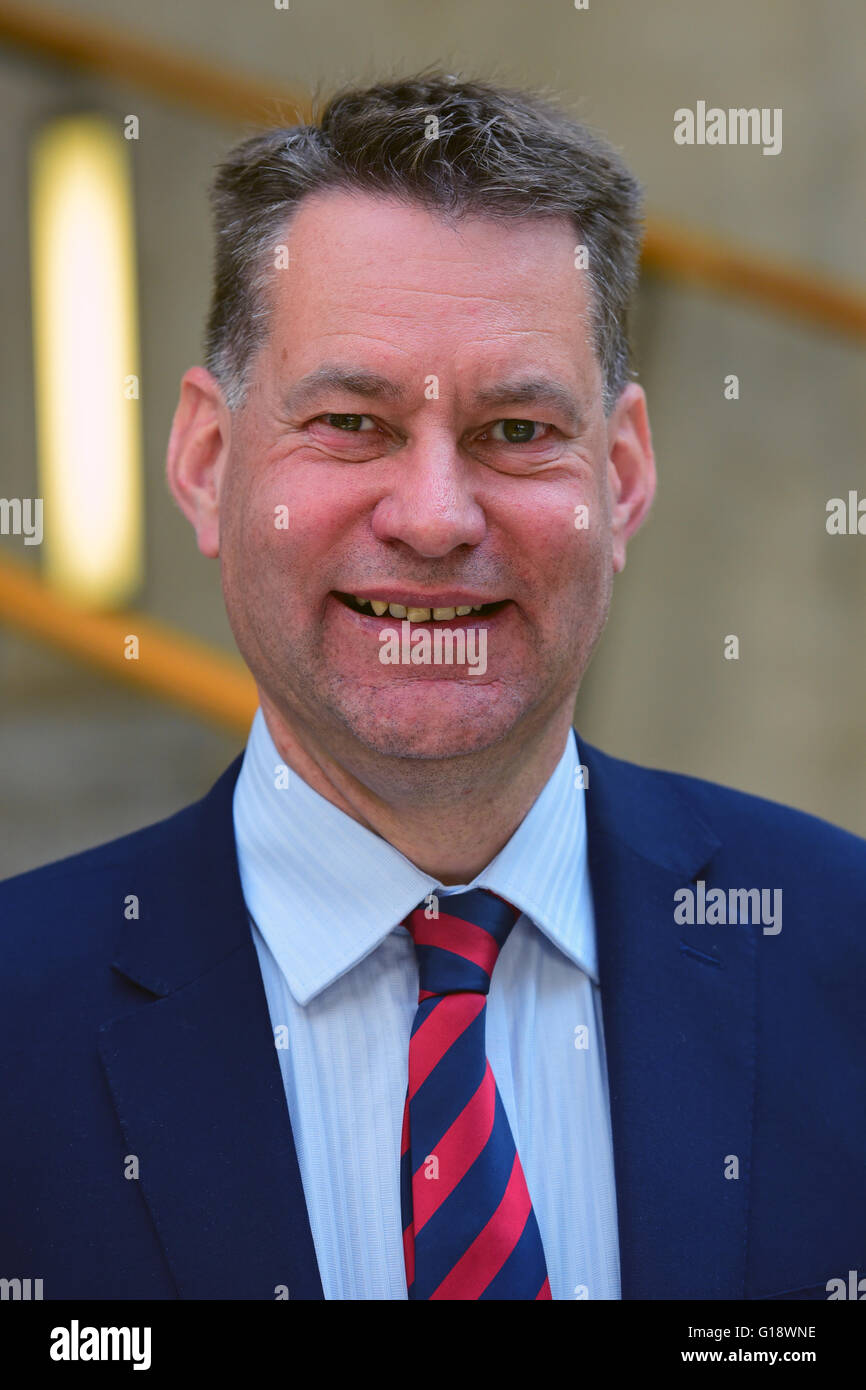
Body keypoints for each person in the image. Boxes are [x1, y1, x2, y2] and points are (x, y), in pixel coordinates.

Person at [1, 71, 864, 1302]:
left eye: (515, 431)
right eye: (350, 422)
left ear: (620, 478)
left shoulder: (840, 953)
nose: (433, 517)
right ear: (205, 460)